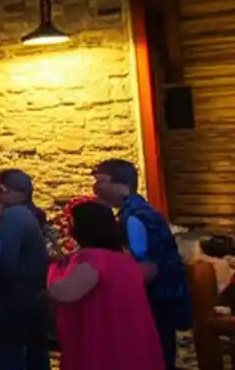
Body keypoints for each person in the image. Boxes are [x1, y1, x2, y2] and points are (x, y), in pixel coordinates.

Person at [92, 158, 190, 369]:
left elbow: (146, 267)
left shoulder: (135, 217)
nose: (96, 187)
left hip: (156, 302)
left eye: (101, 181)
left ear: (121, 184)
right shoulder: (137, 211)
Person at [47, 201, 165, 370]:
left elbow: (64, 293)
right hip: (128, 341)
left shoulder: (93, 259)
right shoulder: (124, 260)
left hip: (102, 342)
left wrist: (55, 269)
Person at [0, 169, 50, 370]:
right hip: (32, 297)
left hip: (14, 300)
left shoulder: (13, 217)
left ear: (4, 190)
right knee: (36, 354)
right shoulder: (29, 214)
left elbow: (6, 262)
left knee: (10, 357)